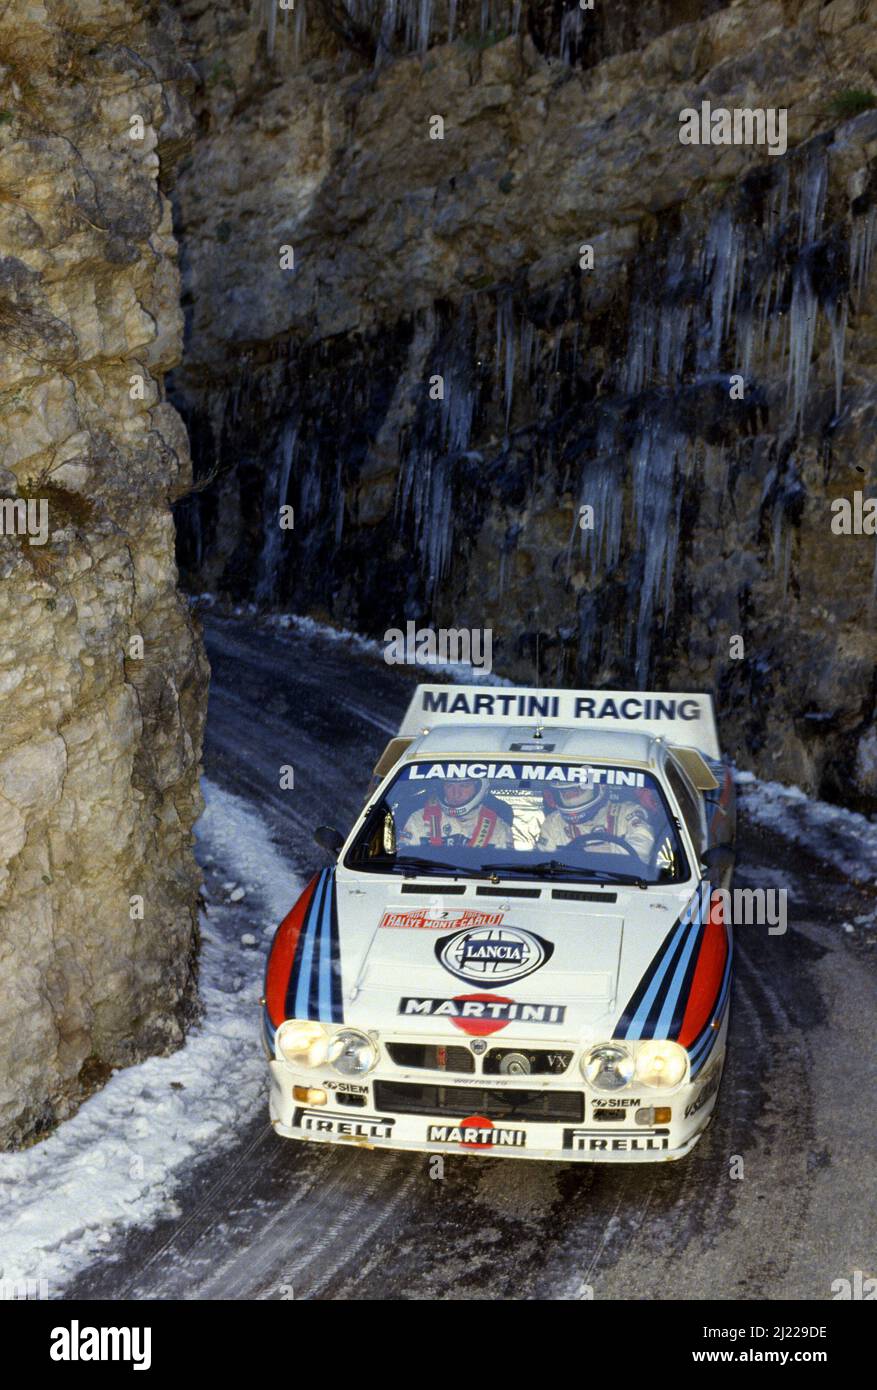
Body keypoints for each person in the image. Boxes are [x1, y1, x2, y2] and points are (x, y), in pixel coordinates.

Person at [537, 780, 655, 860]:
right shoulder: (553, 822)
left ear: (600, 788)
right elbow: (545, 862)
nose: (571, 797)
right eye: (565, 793)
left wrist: (605, 859)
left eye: (577, 791)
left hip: (620, 883)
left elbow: (643, 846)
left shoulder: (627, 812)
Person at [400, 778, 514, 849]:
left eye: (464, 786)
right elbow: (404, 862)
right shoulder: (418, 819)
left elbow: (503, 874)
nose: (456, 794)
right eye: (449, 786)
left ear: (479, 788)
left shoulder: (498, 828)